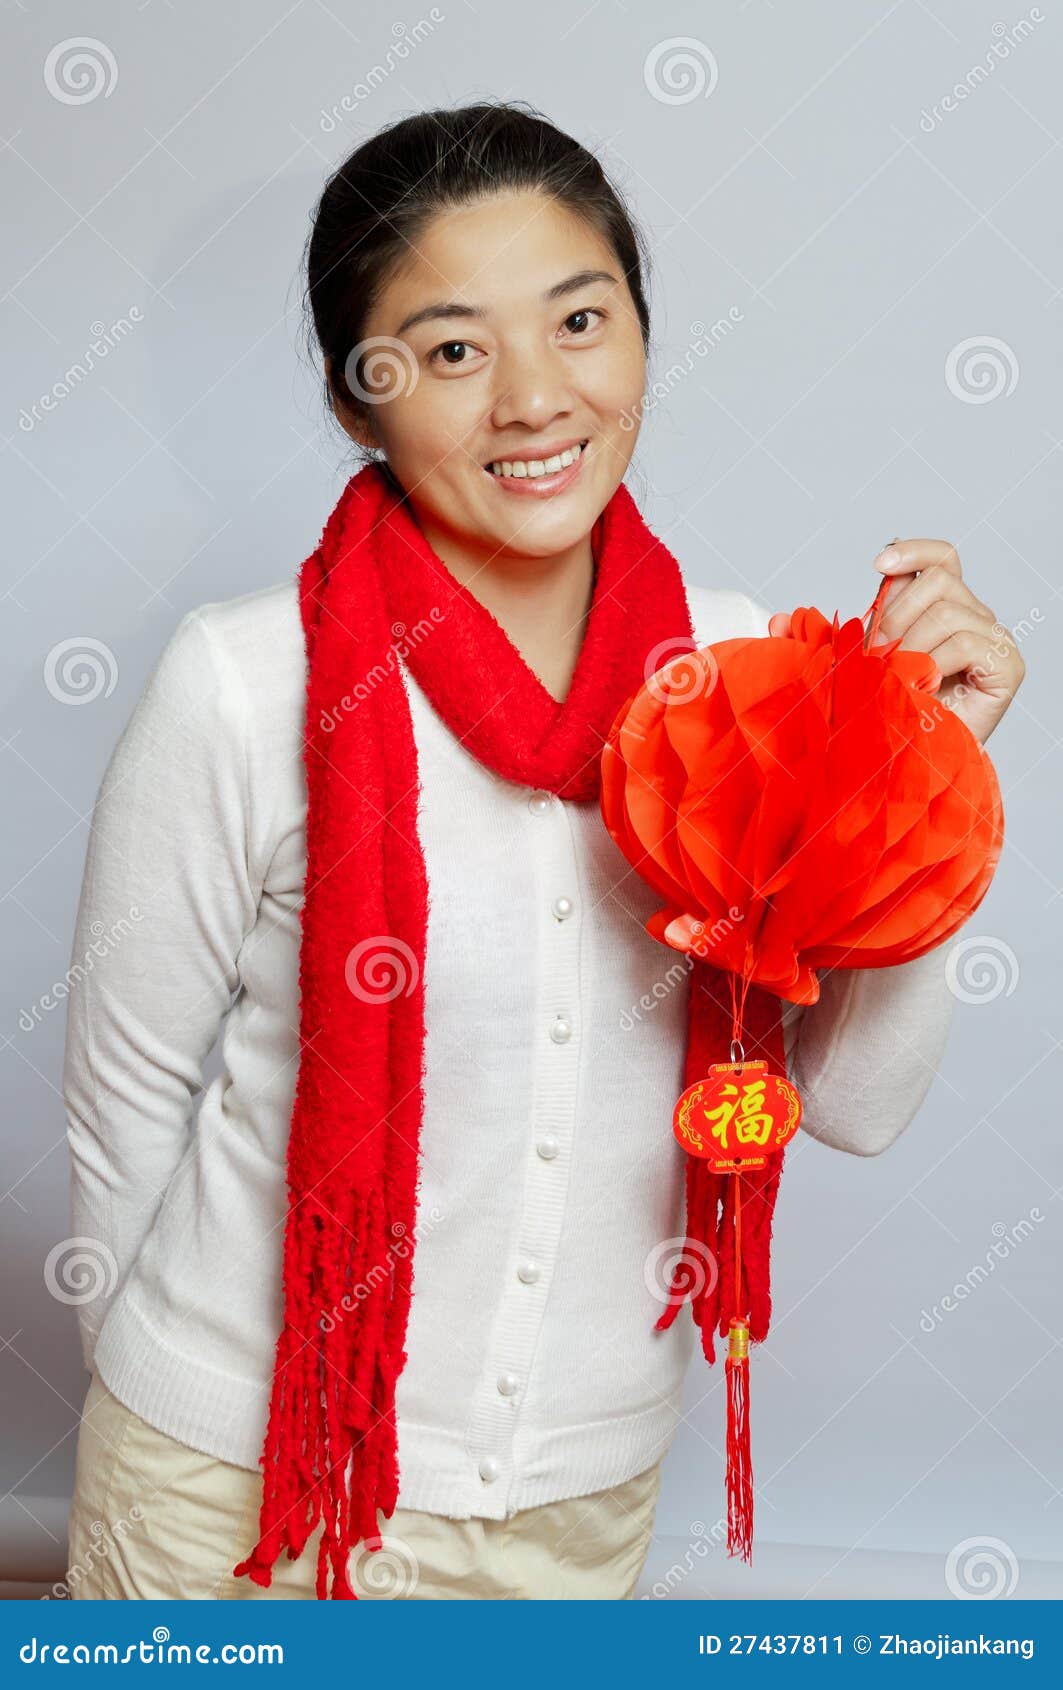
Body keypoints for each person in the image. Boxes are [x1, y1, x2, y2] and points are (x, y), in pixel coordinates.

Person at [61, 101, 1025, 1601]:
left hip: (577, 1508)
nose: (532, 396)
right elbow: (126, 1095)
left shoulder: (749, 670)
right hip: (236, 1493)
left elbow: (852, 1106)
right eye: (451, 349)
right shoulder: (246, 678)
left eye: (581, 318)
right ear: (354, 396)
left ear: (641, 331)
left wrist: (927, 770)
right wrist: (209, 1410)